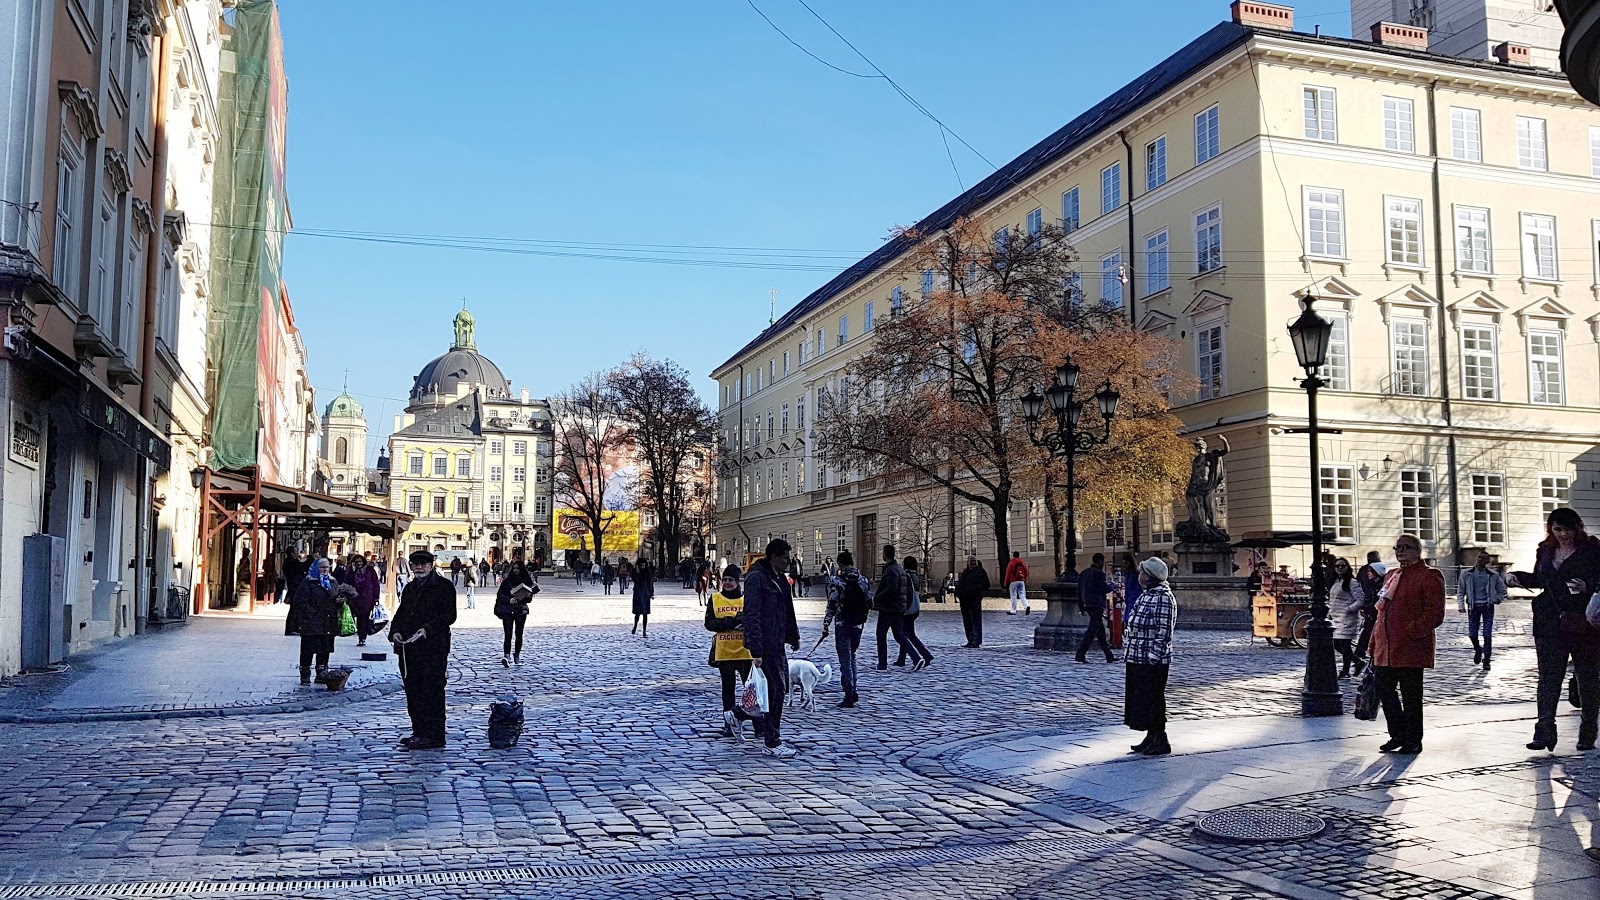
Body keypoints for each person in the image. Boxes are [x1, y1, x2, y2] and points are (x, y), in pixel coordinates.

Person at [1510, 508, 1600, 752]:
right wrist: (1517, 577)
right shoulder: (1545, 550)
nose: (1563, 534)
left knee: (1587, 679)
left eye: (1568, 529)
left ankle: (1588, 732)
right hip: (1549, 622)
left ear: (1578, 527)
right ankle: (1544, 731)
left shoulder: (1592, 549)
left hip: (1583, 622)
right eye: (1557, 529)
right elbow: (1540, 579)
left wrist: (1588, 586)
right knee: (1548, 679)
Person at [1370, 534, 1446, 755]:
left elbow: (1435, 613)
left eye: (1406, 547)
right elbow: (1382, 610)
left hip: (1411, 647)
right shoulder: (1392, 574)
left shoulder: (1429, 575)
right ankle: (1398, 734)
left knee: (1411, 695)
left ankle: (1413, 739)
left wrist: (1412, 631)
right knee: (1383, 689)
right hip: (1386, 646)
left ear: (1418, 550)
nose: (1401, 551)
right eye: (1398, 547)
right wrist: (1374, 639)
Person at [390, 550, 458, 751]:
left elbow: (449, 615)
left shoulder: (444, 586)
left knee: (432, 690)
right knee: (413, 690)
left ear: (430, 566)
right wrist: (395, 632)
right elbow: (402, 613)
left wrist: (427, 629)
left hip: (433, 647)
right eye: (415, 564)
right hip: (410, 648)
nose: (419, 567)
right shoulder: (410, 588)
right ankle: (419, 731)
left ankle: (434, 735)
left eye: (423, 564)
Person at [742, 538, 801, 758]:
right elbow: (752, 614)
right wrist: (756, 650)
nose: (788, 561)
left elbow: (787, 610)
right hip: (765, 643)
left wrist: (793, 635)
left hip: (777, 642)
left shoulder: (779, 579)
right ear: (773, 557)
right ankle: (772, 741)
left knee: (777, 689)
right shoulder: (757, 578)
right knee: (775, 691)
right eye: (784, 558)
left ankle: (737, 715)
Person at [1124, 557, 1177, 756]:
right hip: (1137, 656)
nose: (1139, 576)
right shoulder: (1146, 595)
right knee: (1143, 699)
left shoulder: (1163, 597)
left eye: (1142, 572)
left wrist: (1153, 656)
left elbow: (1164, 631)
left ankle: (1160, 738)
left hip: (1152, 659)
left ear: (1149, 576)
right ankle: (1150, 736)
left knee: (1154, 698)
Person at [704, 564, 755, 741]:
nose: (727, 583)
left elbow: (754, 621)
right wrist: (727, 622)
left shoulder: (747, 599)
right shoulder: (715, 598)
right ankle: (729, 723)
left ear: (737, 582)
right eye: (725, 579)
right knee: (728, 690)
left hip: (745, 651)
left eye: (731, 580)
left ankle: (758, 722)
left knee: (751, 689)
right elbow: (709, 623)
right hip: (724, 651)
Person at [820, 550, 870, 708]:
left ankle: (849, 693)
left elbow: (832, 604)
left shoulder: (837, 581)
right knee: (852, 656)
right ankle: (854, 689)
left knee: (845, 660)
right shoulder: (863, 580)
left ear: (840, 564)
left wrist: (826, 624)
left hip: (842, 624)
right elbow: (869, 602)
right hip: (858, 624)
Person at [289, 558, 344, 685]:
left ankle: (321, 673)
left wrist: (340, 601)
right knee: (308, 649)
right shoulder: (308, 582)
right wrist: (311, 613)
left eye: (327, 567)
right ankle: (305, 673)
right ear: (316, 568)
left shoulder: (332, 582)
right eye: (322, 567)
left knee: (324, 649)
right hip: (311, 622)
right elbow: (299, 601)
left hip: (328, 621)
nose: (325, 569)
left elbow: (335, 597)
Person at [1459, 551, 1507, 671]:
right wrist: (1461, 605)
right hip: (1473, 607)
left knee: (1487, 634)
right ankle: (1478, 649)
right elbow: (1461, 591)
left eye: (1483, 558)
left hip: (1487, 607)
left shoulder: (1493, 575)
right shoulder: (1467, 574)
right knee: (1472, 634)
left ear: (1487, 561)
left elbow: (1502, 590)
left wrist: (1496, 600)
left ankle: (1487, 660)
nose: (1480, 560)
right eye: (1479, 557)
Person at [873, 544, 919, 670]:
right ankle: (916, 658)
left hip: (889, 608)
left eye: (883, 553)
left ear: (885, 554)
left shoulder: (891, 570)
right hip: (898, 608)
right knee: (900, 636)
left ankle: (882, 664)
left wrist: (877, 597)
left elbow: (891, 589)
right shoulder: (899, 569)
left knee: (881, 635)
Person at [494, 560, 537, 667]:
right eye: (514, 568)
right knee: (508, 633)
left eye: (518, 568)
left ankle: (517, 654)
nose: (516, 570)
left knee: (519, 633)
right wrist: (509, 599)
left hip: (521, 610)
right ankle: (507, 655)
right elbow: (500, 595)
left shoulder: (526, 581)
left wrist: (527, 595)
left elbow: (529, 600)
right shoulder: (507, 581)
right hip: (508, 609)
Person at [1076, 553, 1116, 664]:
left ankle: (1109, 655)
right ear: (1100, 562)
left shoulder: (1084, 573)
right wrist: (1112, 585)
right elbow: (1103, 588)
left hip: (1087, 603)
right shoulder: (1099, 573)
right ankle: (1080, 654)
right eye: (1102, 562)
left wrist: (1081, 605)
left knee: (1100, 632)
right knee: (1092, 631)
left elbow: (1079, 590)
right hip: (1096, 604)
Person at [897, 557, 935, 671]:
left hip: (907, 609)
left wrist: (902, 608)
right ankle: (902, 659)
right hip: (914, 609)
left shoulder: (907, 576)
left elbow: (906, 594)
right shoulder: (915, 576)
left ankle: (925, 655)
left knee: (905, 635)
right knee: (907, 634)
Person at [1330, 557, 1362, 678]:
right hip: (1336, 617)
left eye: (1343, 566)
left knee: (1344, 644)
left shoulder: (1352, 582)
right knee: (1337, 644)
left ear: (1348, 567)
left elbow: (1360, 599)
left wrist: (1349, 609)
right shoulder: (1336, 582)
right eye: (1337, 566)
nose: (1340, 568)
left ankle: (1345, 671)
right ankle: (1357, 661)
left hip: (1347, 618)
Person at [1354, 550, 1387, 663]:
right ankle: (1366, 652)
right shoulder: (1374, 573)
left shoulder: (1366, 571)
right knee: (1369, 630)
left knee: (1370, 630)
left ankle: (1365, 652)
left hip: (1372, 606)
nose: (1368, 573)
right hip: (1370, 605)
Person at [955, 557, 990, 648]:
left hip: (974, 599)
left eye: (974, 561)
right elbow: (960, 584)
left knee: (976, 621)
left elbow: (986, 585)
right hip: (964, 600)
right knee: (967, 621)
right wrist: (958, 593)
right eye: (971, 561)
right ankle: (970, 640)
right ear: (968, 562)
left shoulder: (980, 572)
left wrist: (976, 589)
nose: (972, 563)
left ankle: (976, 641)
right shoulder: (965, 572)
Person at [348, 554, 382, 647]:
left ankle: (362, 637)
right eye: (356, 562)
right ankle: (360, 634)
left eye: (360, 561)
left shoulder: (369, 570)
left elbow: (375, 583)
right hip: (356, 598)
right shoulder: (352, 572)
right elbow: (347, 583)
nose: (359, 563)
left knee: (364, 618)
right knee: (359, 618)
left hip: (368, 598)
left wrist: (376, 596)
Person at [631, 558, 655, 636]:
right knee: (637, 613)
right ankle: (635, 626)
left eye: (643, 565)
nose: (642, 567)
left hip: (645, 594)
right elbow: (635, 580)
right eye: (640, 565)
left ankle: (644, 630)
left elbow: (650, 583)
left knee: (645, 613)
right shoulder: (635, 571)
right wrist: (637, 572)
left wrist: (651, 593)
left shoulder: (647, 572)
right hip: (637, 593)